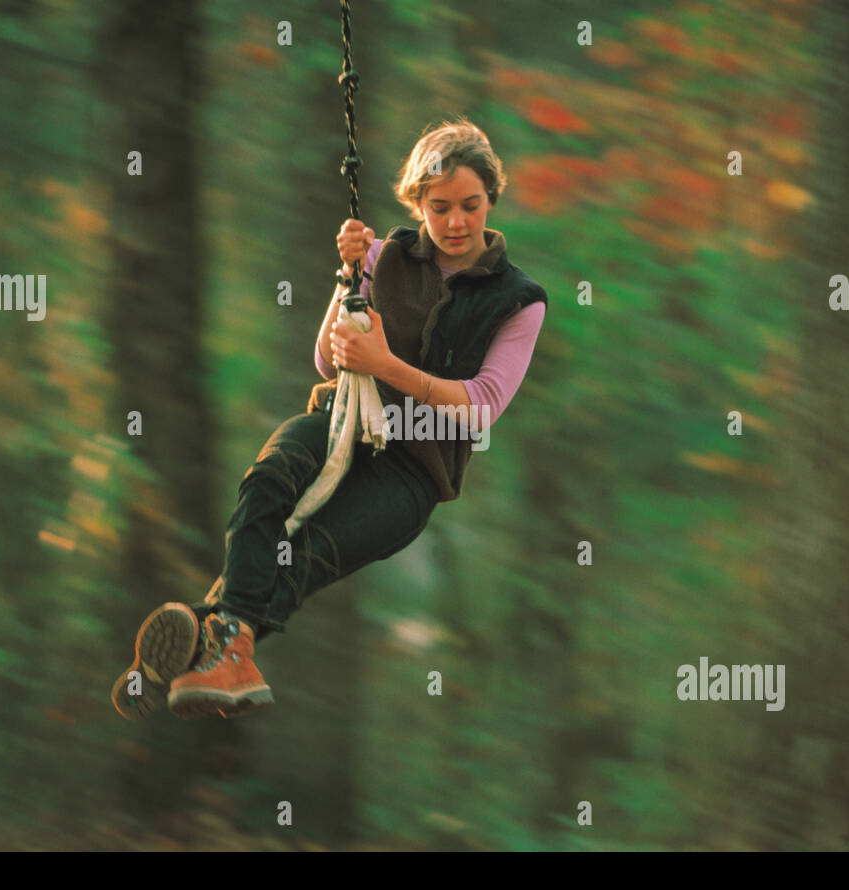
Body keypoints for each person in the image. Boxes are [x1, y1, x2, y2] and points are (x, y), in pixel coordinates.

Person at [112, 118, 548, 720]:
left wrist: (388, 364)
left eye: (470, 206)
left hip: (412, 471)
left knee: (304, 551)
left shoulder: (519, 300)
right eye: (439, 206)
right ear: (416, 202)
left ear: (491, 200)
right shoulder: (382, 254)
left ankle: (207, 636)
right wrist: (351, 275)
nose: (455, 222)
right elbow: (326, 357)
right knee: (268, 479)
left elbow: (481, 406)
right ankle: (226, 649)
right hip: (341, 419)